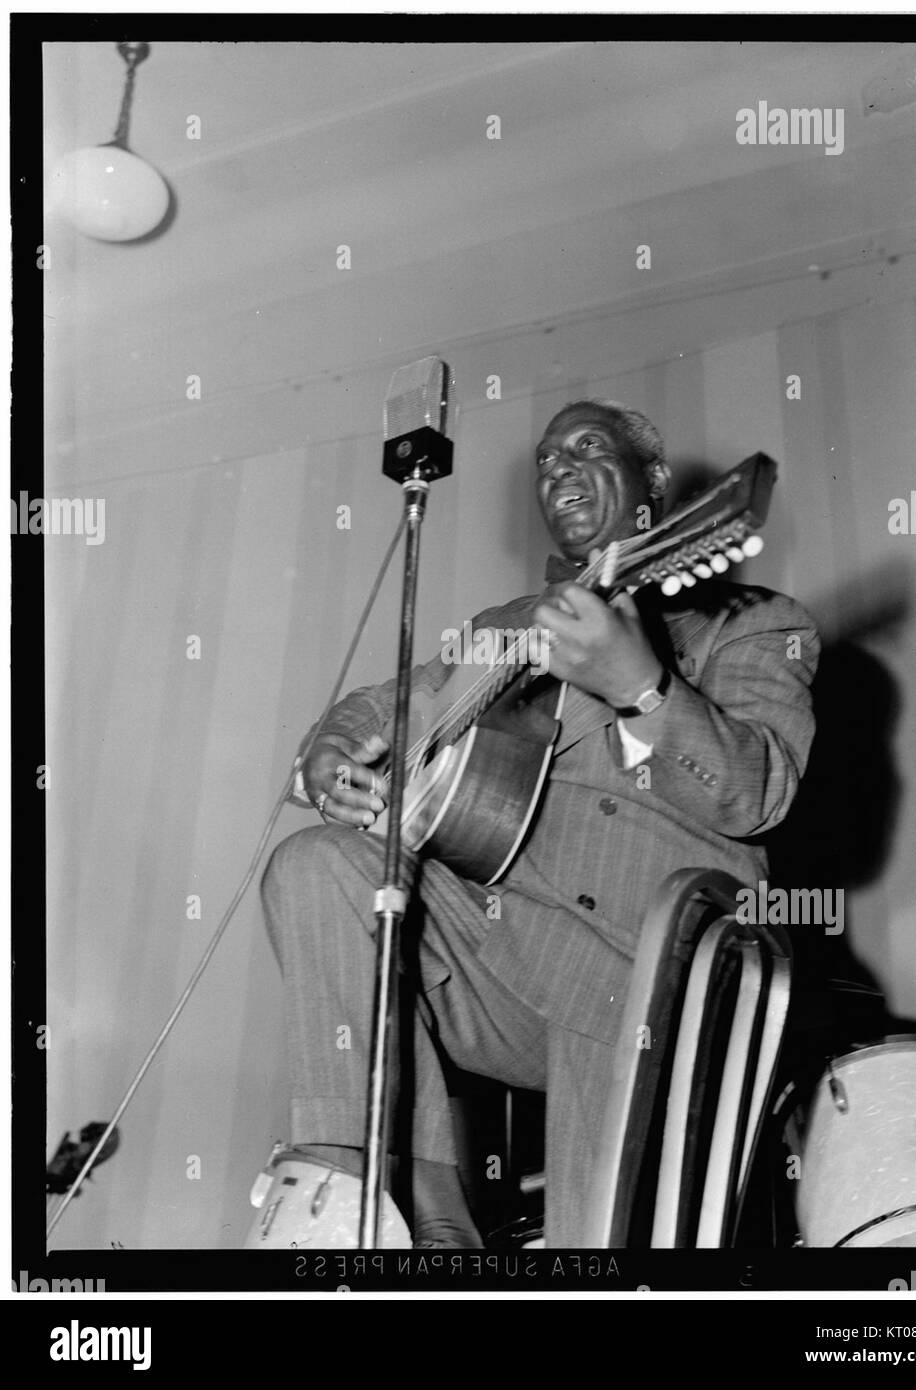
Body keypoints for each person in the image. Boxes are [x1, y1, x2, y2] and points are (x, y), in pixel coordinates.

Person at [260, 399, 820, 1247]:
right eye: (545, 457)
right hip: (502, 959)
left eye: (587, 447)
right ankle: (392, 1208)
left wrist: (643, 686)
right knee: (317, 864)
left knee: (595, 1251)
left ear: (654, 487)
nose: (557, 466)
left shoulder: (753, 625)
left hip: (648, 974)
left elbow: (757, 792)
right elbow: (382, 703)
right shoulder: (502, 629)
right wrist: (331, 747)